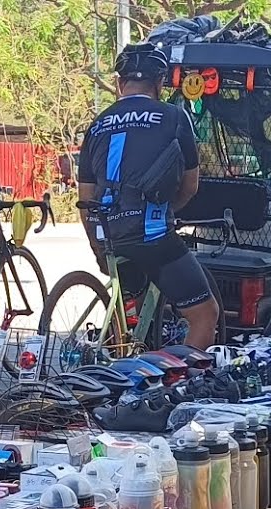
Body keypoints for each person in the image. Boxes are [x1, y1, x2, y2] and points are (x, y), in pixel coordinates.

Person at [77, 43, 220, 350]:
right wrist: (168, 210)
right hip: (152, 233)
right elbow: (190, 185)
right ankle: (183, 391)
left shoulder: (97, 124)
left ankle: (121, 348)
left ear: (119, 83)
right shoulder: (174, 117)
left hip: (109, 233)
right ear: (160, 83)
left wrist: (97, 244)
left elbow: (85, 196)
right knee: (205, 314)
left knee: (131, 302)